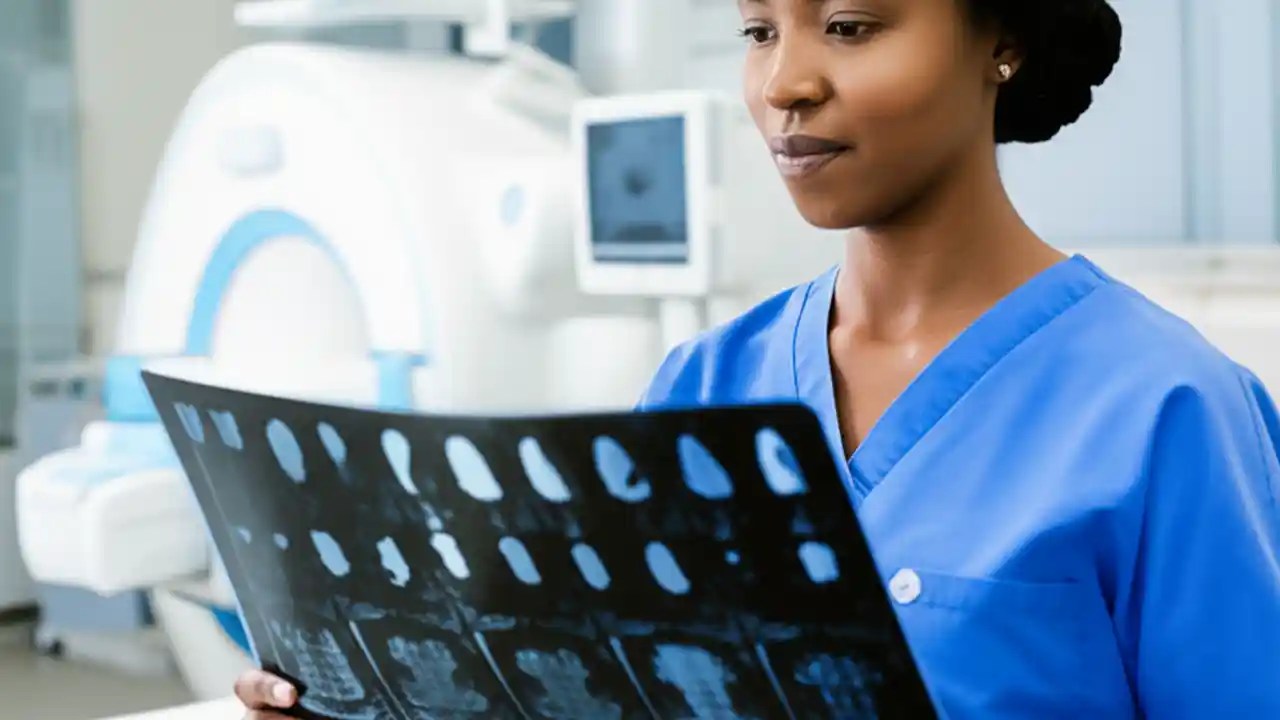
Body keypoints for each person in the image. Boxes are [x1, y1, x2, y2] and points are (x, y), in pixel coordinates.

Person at [238, 0, 1280, 717]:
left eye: (850, 27)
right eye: (757, 31)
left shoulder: (1167, 409)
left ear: (999, 40)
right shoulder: (701, 386)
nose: (785, 83)